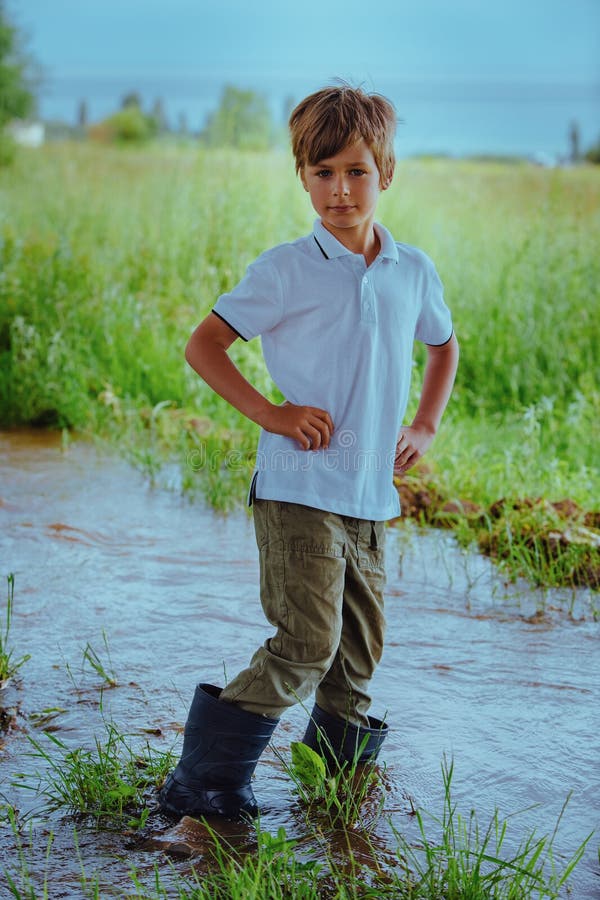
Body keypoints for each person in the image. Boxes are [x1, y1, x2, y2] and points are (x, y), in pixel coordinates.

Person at [158, 84, 459, 820]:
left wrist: (423, 425)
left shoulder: (411, 269)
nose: (339, 190)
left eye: (356, 171)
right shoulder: (285, 268)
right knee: (306, 643)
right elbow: (205, 344)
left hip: (369, 499)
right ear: (302, 175)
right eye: (322, 172)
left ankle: (334, 804)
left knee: (356, 660)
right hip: (298, 488)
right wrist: (272, 411)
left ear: (385, 172)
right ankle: (202, 787)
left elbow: (444, 347)